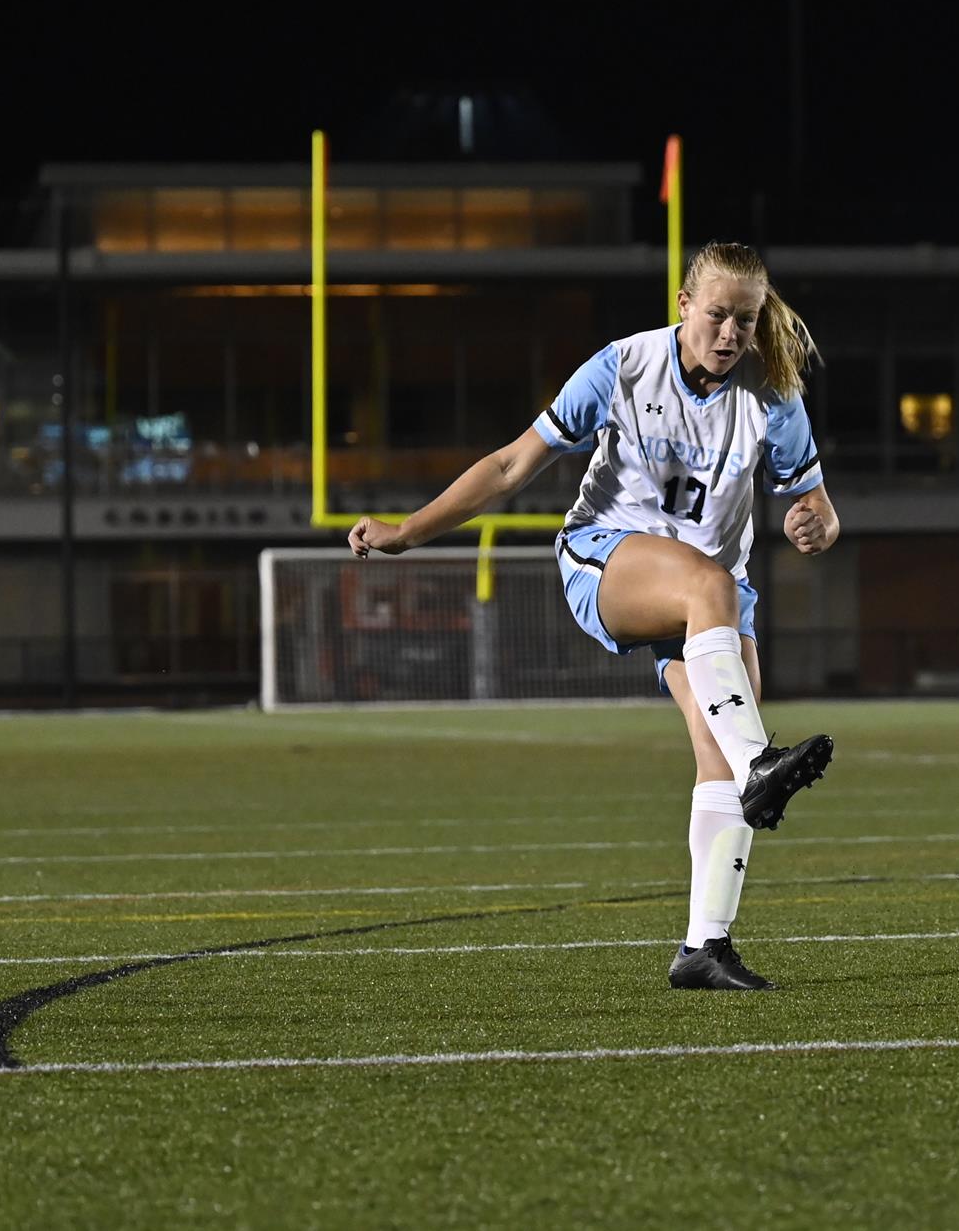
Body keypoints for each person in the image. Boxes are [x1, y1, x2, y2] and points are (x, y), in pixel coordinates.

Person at [349, 241, 839, 992]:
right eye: (717, 315)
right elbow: (513, 465)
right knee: (732, 684)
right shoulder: (623, 366)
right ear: (683, 305)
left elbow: (818, 511)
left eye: (746, 318)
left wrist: (814, 524)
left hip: (711, 595)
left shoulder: (774, 395)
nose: (732, 333)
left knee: (719, 753)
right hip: (607, 560)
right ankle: (760, 764)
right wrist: (407, 531)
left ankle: (704, 945)